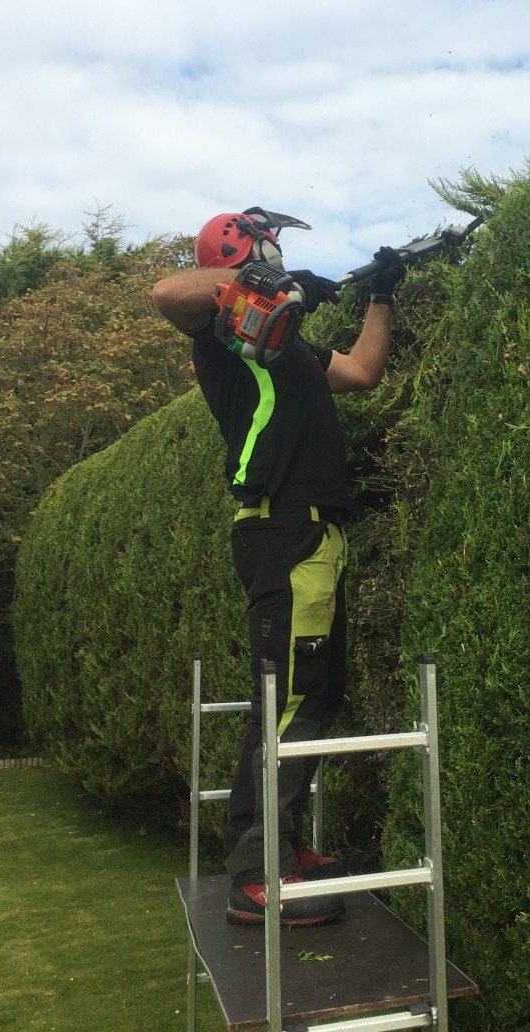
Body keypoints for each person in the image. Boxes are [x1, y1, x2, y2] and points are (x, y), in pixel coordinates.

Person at [152, 208, 406, 927]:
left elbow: (361, 372)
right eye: (272, 249)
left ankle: (280, 851)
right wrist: (272, 278)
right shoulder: (225, 332)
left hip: (311, 534)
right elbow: (167, 294)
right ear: (245, 253)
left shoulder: (285, 344)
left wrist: (381, 295)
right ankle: (257, 873)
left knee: (313, 696)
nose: (281, 257)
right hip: (282, 527)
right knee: (288, 704)